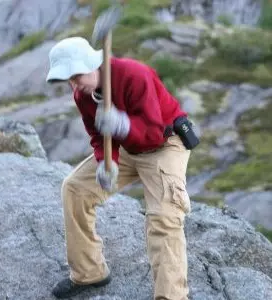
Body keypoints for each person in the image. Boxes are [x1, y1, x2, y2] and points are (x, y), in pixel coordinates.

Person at [46, 36, 194, 300]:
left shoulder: (134, 75)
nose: (74, 83)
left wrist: (122, 125)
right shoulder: (83, 94)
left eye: (77, 74)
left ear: (93, 62)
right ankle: (89, 272)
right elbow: (97, 134)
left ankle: (171, 296)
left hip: (164, 144)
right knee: (75, 189)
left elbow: (152, 131)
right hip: (127, 147)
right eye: (68, 78)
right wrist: (107, 162)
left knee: (163, 217)